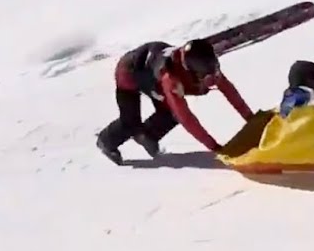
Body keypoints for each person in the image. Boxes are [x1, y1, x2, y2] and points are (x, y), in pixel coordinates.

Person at [96, 38, 252, 163]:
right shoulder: (170, 79)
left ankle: (147, 136)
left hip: (151, 72)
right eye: (204, 75)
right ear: (191, 70)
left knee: (169, 114)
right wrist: (214, 147)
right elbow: (185, 117)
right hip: (129, 72)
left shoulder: (206, 66)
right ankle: (106, 141)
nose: (210, 78)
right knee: (130, 122)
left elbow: (229, 91)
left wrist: (251, 119)